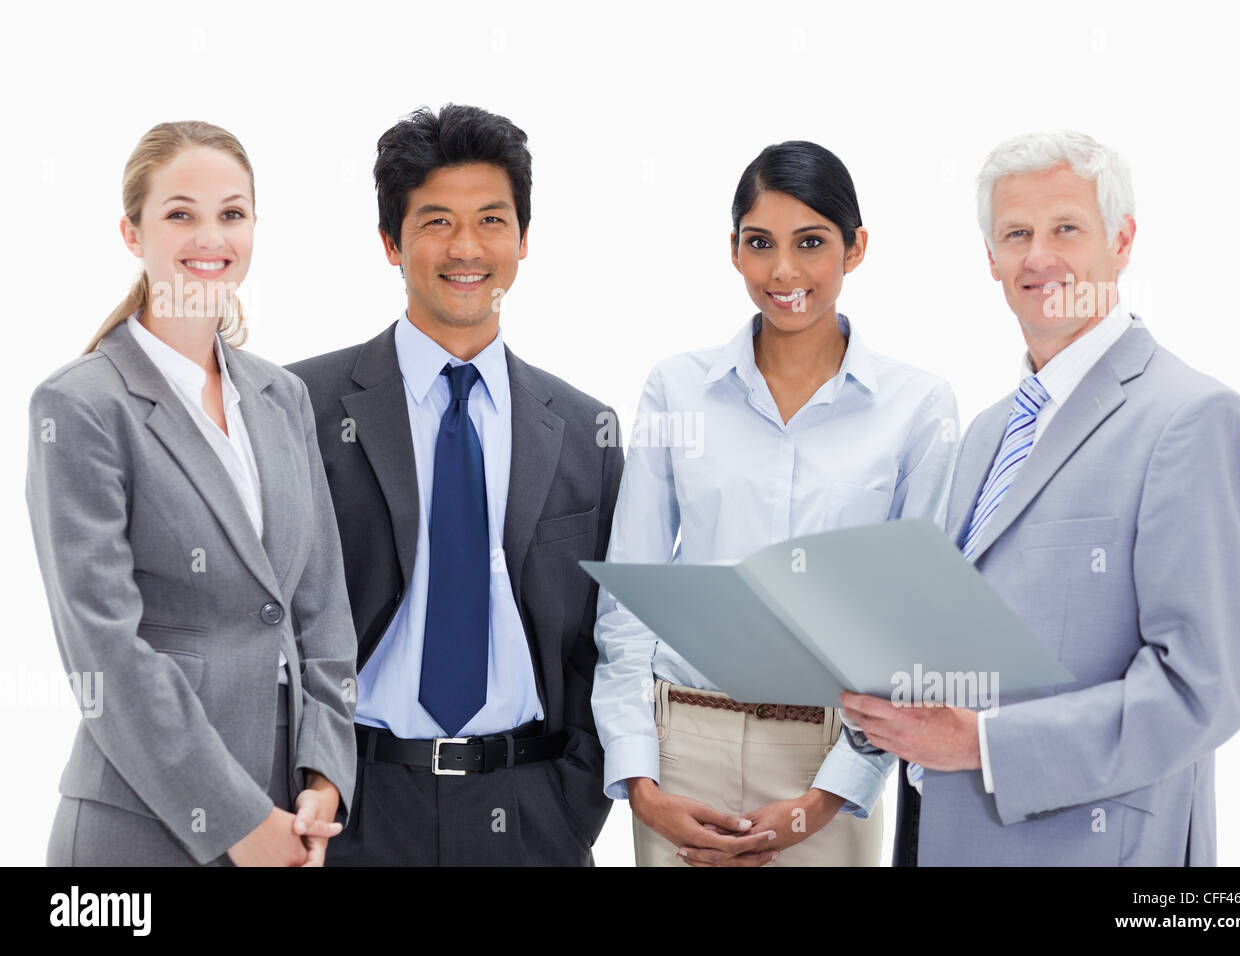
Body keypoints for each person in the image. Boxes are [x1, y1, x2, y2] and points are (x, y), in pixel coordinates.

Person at [840, 129, 1240, 866]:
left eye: (1065, 228)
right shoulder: (985, 433)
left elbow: (1202, 689)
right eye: (1016, 234)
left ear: (1122, 241)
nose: (1038, 257)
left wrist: (984, 744)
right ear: (991, 259)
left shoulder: (1191, 418)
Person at [593, 140, 959, 866]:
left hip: (828, 760)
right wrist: (642, 782)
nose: (784, 271)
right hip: (680, 752)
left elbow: (913, 628)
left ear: (855, 249)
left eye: (812, 243)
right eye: (760, 243)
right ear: (733, 250)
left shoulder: (918, 407)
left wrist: (829, 796)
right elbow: (630, 599)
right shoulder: (677, 389)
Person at [287, 104, 623, 866]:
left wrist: (573, 804)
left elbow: (604, 642)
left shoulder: (584, 429)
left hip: (532, 807)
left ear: (524, 240)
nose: (466, 248)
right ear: (390, 242)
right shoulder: (299, 405)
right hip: (356, 805)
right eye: (436, 221)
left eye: (492, 221)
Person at [27, 121, 358, 867]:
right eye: (181, 213)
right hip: (142, 820)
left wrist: (326, 774)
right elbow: (103, 650)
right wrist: (241, 823)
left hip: (291, 813)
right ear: (130, 231)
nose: (211, 235)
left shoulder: (284, 397)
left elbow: (321, 610)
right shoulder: (81, 405)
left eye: (232, 213)